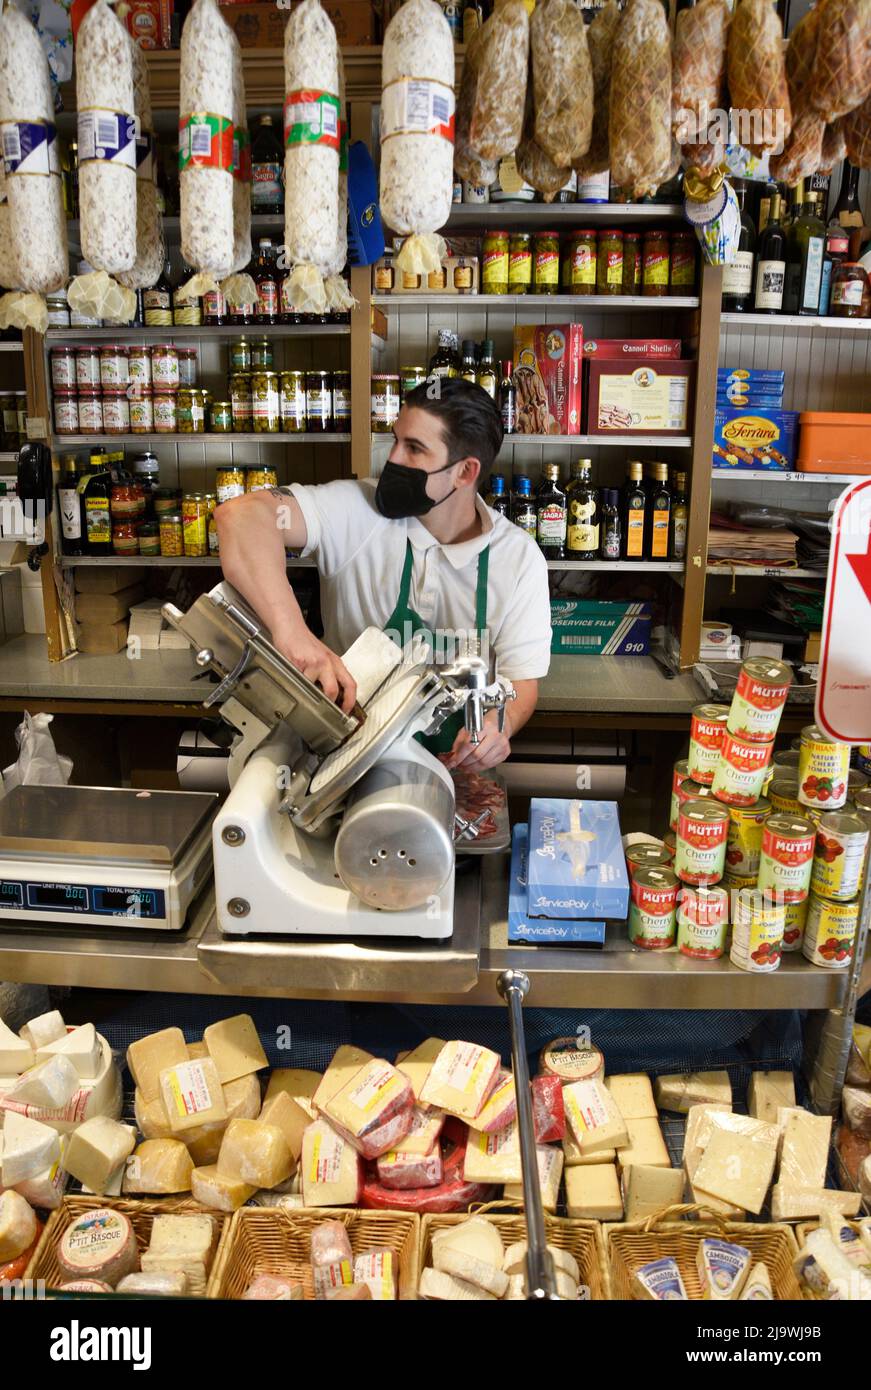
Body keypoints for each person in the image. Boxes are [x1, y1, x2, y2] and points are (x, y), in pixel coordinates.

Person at [215, 377, 551, 770]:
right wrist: (294, 635)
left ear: (464, 472)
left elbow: (521, 682)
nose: (392, 459)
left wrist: (497, 726)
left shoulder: (518, 558)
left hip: (453, 772)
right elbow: (240, 516)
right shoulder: (353, 513)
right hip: (344, 767)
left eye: (414, 449)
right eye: (395, 440)